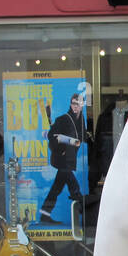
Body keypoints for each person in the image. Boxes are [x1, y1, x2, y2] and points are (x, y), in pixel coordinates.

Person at [39, 91, 86, 224]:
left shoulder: (80, 120)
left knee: (57, 187)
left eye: (78, 104)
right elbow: (52, 136)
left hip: (70, 160)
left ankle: (45, 213)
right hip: (62, 159)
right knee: (73, 186)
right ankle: (82, 210)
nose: (76, 106)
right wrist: (62, 149)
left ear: (82, 105)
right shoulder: (63, 119)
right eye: (73, 103)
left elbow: (81, 138)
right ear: (71, 104)